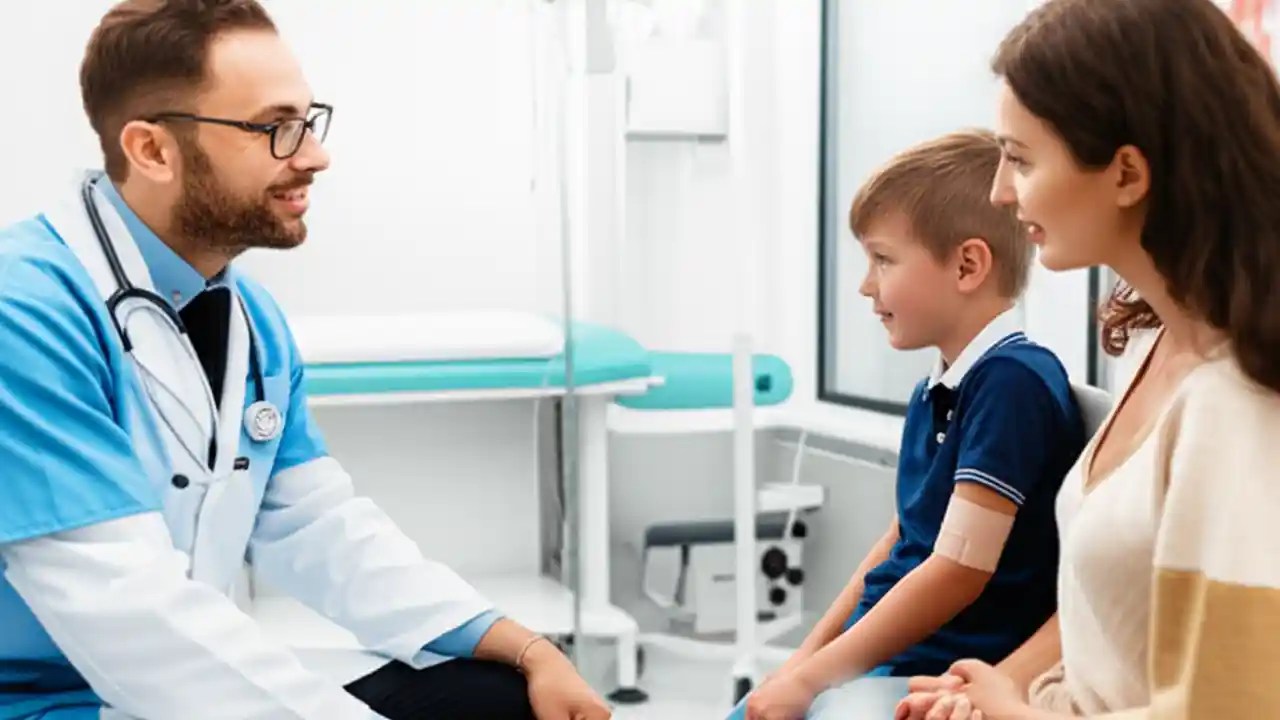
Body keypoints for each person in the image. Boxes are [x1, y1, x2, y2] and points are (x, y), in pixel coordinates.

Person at [0, 2, 610, 719]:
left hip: (165, 691)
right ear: (153, 151)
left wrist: (526, 647)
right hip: (45, 703)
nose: (315, 156)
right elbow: (128, 610)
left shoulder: (250, 319)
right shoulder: (25, 310)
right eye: (276, 128)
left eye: (309, 122)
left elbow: (318, 526)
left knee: (496, 697)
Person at [897, 0, 1280, 718]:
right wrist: (997, 689)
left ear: (1127, 173)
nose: (999, 191)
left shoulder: (1237, 400)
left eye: (1020, 159)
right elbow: (1110, 621)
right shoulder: (1159, 343)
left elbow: (1236, 708)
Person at [734, 130, 1085, 720]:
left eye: (883, 260)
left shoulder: (1012, 384)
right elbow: (899, 543)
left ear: (968, 265)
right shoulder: (937, 390)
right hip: (890, 657)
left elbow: (958, 571)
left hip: (942, 672)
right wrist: (800, 666)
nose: (866, 286)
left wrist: (813, 679)